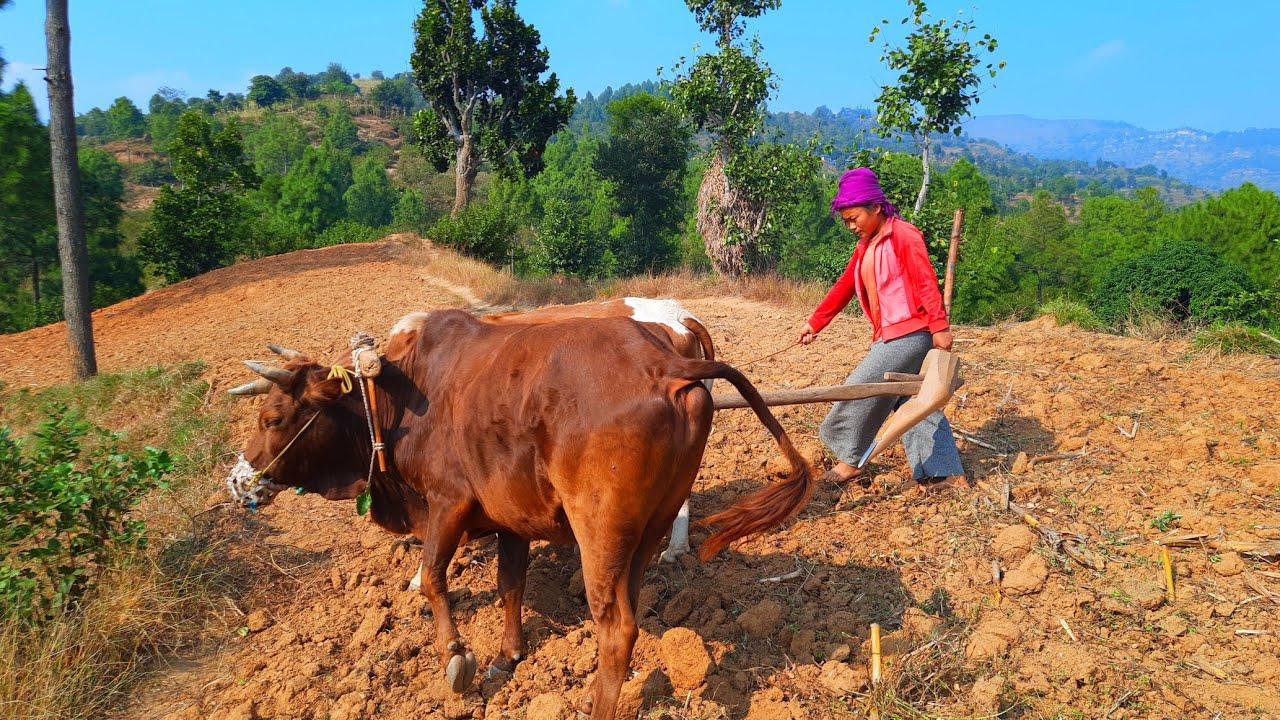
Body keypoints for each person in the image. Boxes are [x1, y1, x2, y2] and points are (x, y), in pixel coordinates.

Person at [796, 168, 967, 491]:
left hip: (910, 333)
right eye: (845, 220)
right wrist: (814, 323)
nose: (850, 225)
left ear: (875, 207)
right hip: (891, 335)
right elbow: (843, 287)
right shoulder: (866, 245)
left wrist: (940, 326)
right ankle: (945, 472)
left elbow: (925, 281)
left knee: (861, 388)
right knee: (915, 397)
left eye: (854, 217)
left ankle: (850, 460)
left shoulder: (904, 235)